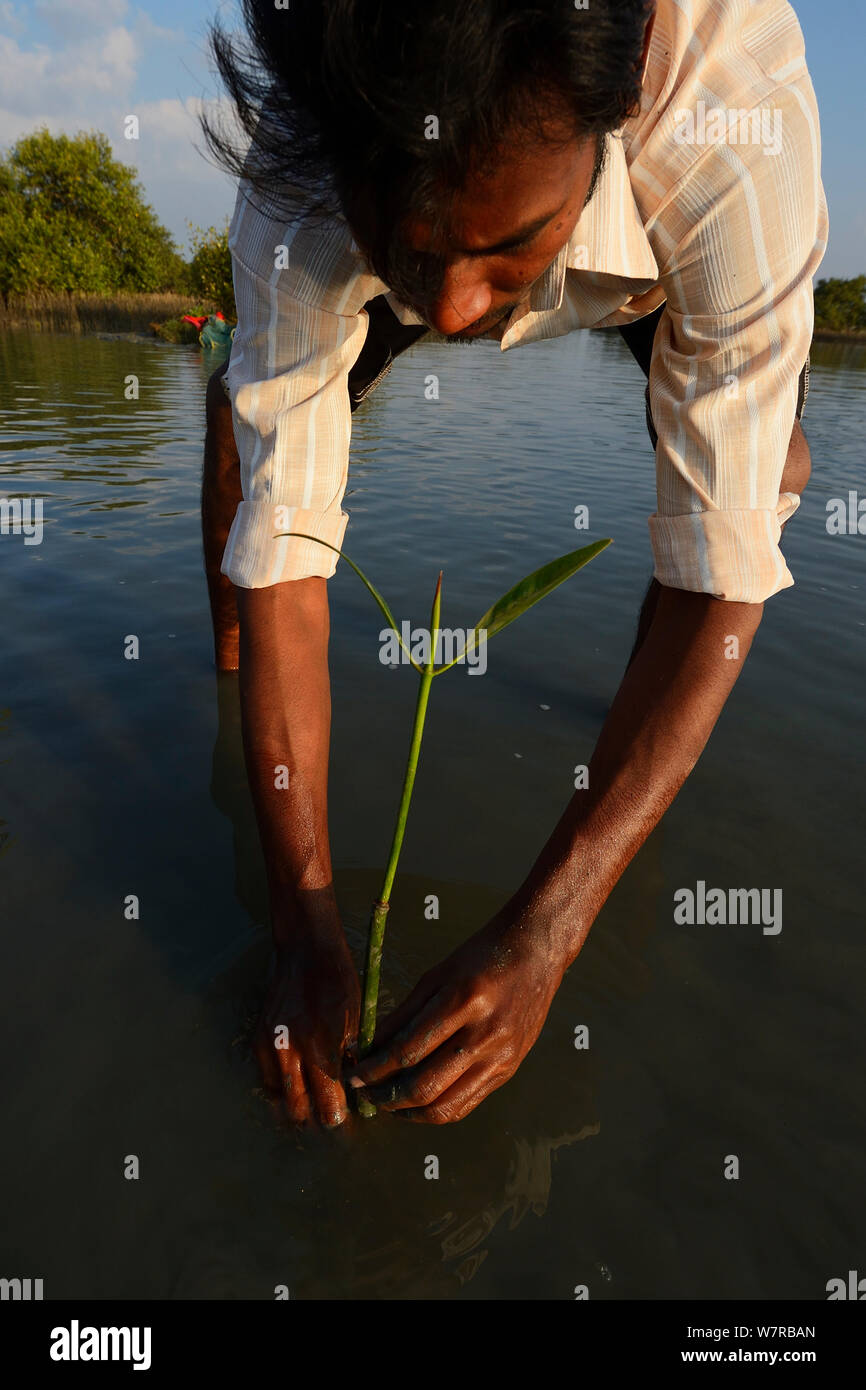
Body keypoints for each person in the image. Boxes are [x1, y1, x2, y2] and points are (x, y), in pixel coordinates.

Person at [200, 0, 826, 1127]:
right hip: (381, 227)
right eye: (422, 259)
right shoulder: (302, 176)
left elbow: (722, 579)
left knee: (754, 474)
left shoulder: (731, 125)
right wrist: (303, 929)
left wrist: (546, 928)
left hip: (636, 254)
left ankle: (628, 762)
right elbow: (289, 553)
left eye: (501, 253)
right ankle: (223, 668)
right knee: (245, 433)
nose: (453, 314)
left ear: (614, 108)